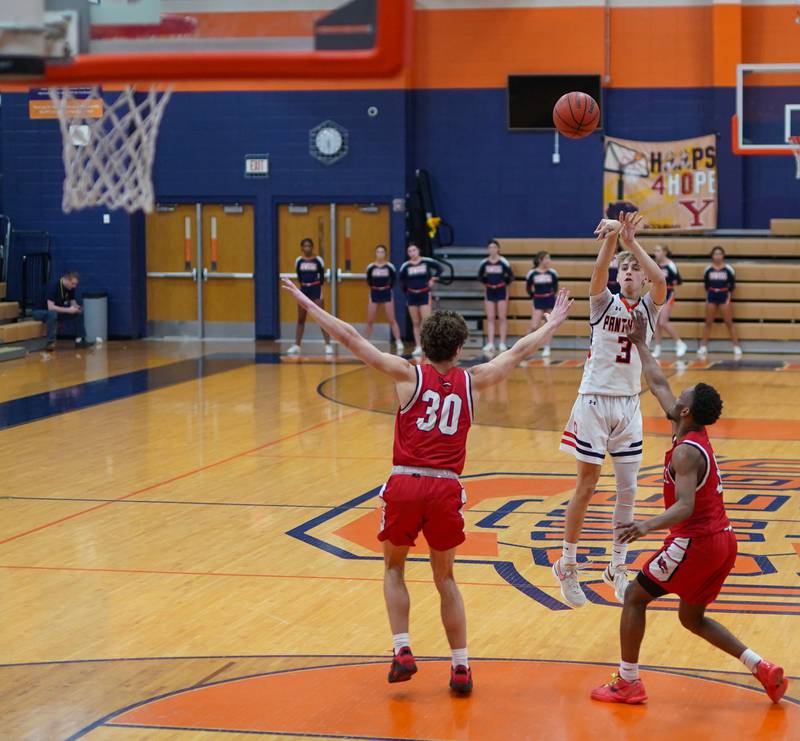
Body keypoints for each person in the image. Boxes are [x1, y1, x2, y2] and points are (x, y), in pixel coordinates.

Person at [281, 276, 572, 695]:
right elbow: (519, 350)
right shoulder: (473, 380)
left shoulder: (406, 375)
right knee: (446, 579)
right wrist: (554, 322)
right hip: (445, 489)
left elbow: (347, 336)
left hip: (404, 483)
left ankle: (402, 649)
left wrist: (308, 303)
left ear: (422, 343)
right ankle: (460, 666)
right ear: (458, 349)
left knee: (394, 567)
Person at [591, 312, 787, 705]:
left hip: (695, 541)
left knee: (633, 597)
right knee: (691, 618)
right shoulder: (691, 429)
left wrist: (644, 526)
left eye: (685, 394)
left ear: (686, 411)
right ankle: (761, 667)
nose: (678, 393)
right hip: (723, 543)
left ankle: (628, 682)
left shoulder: (684, 452)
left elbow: (684, 506)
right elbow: (659, 383)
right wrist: (641, 343)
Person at [554, 211, 667, 607]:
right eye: (627, 269)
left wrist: (632, 242)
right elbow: (599, 274)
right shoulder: (603, 303)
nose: (633, 272)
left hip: (629, 404)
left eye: (637, 269)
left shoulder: (650, 310)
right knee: (587, 486)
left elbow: (662, 281)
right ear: (619, 278)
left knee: (629, 491)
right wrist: (612, 240)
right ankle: (567, 564)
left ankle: (616, 566)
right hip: (595, 400)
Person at [287, 238, 333, 356]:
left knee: (321, 318)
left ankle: (328, 345)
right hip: (304, 289)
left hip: (316, 289)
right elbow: (299, 277)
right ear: (302, 248)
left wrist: (319, 290)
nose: (307, 248)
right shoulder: (299, 261)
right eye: (305, 246)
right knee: (301, 318)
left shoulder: (318, 260)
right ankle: (297, 345)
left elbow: (322, 277)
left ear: (312, 247)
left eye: (309, 246)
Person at [399, 242, 443, 357]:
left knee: (426, 321)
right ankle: (418, 346)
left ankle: (428, 346)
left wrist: (433, 279)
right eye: (410, 251)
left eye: (414, 250)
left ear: (418, 251)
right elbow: (401, 280)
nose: (412, 253)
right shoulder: (405, 266)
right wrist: (408, 290)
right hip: (412, 296)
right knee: (415, 322)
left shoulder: (426, 261)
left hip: (424, 294)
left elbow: (440, 268)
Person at [32, 270, 94, 350]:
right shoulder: (53, 286)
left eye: (76, 284)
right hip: (39, 312)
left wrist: (78, 307)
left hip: (53, 311)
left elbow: (73, 303)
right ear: (66, 280)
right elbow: (51, 307)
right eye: (73, 283)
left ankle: (80, 341)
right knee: (52, 313)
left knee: (78, 313)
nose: (74, 286)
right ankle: (50, 343)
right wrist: (69, 310)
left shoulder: (70, 288)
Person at [698, 246, 741, 359]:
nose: (717, 256)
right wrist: (711, 293)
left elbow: (732, 285)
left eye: (719, 254)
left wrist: (727, 294)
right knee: (708, 322)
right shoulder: (708, 269)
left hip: (724, 296)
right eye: (715, 254)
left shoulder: (728, 269)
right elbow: (706, 285)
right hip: (712, 295)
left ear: (723, 255)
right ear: (712, 256)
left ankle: (736, 346)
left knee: (728, 322)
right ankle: (703, 346)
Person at [477, 239, 514, 354]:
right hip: (489, 291)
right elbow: (480, 276)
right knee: (490, 317)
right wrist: (487, 284)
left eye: (494, 247)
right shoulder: (484, 263)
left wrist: (503, 284)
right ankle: (490, 342)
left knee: (502, 317)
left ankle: (502, 343)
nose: (492, 250)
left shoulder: (503, 262)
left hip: (501, 291)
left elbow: (511, 276)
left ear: (498, 249)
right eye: (490, 247)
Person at [365, 245, 404, 353]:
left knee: (392, 319)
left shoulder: (389, 266)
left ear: (385, 254)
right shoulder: (371, 267)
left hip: (386, 292)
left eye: (382, 252)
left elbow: (394, 280)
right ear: (375, 253)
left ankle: (398, 341)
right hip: (374, 292)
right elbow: (368, 280)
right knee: (370, 320)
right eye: (378, 252)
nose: (380, 254)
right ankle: (366, 342)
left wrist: (386, 288)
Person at [652, 244, 687, 359]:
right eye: (655, 251)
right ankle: (657, 347)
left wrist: (668, 285)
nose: (656, 253)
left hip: (669, 294)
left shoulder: (671, 265)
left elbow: (678, 280)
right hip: (657, 294)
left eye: (658, 250)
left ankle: (680, 343)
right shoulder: (654, 265)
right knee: (656, 322)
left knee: (663, 322)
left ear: (665, 252)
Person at [525, 251, 559, 358]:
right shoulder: (532, 273)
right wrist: (533, 296)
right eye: (547, 258)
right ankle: (524, 345)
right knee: (534, 325)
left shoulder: (552, 272)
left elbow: (555, 287)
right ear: (540, 260)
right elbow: (528, 287)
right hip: (538, 300)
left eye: (549, 258)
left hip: (549, 299)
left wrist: (552, 296)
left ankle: (547, 347)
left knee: (549, 325)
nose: (549, 261)